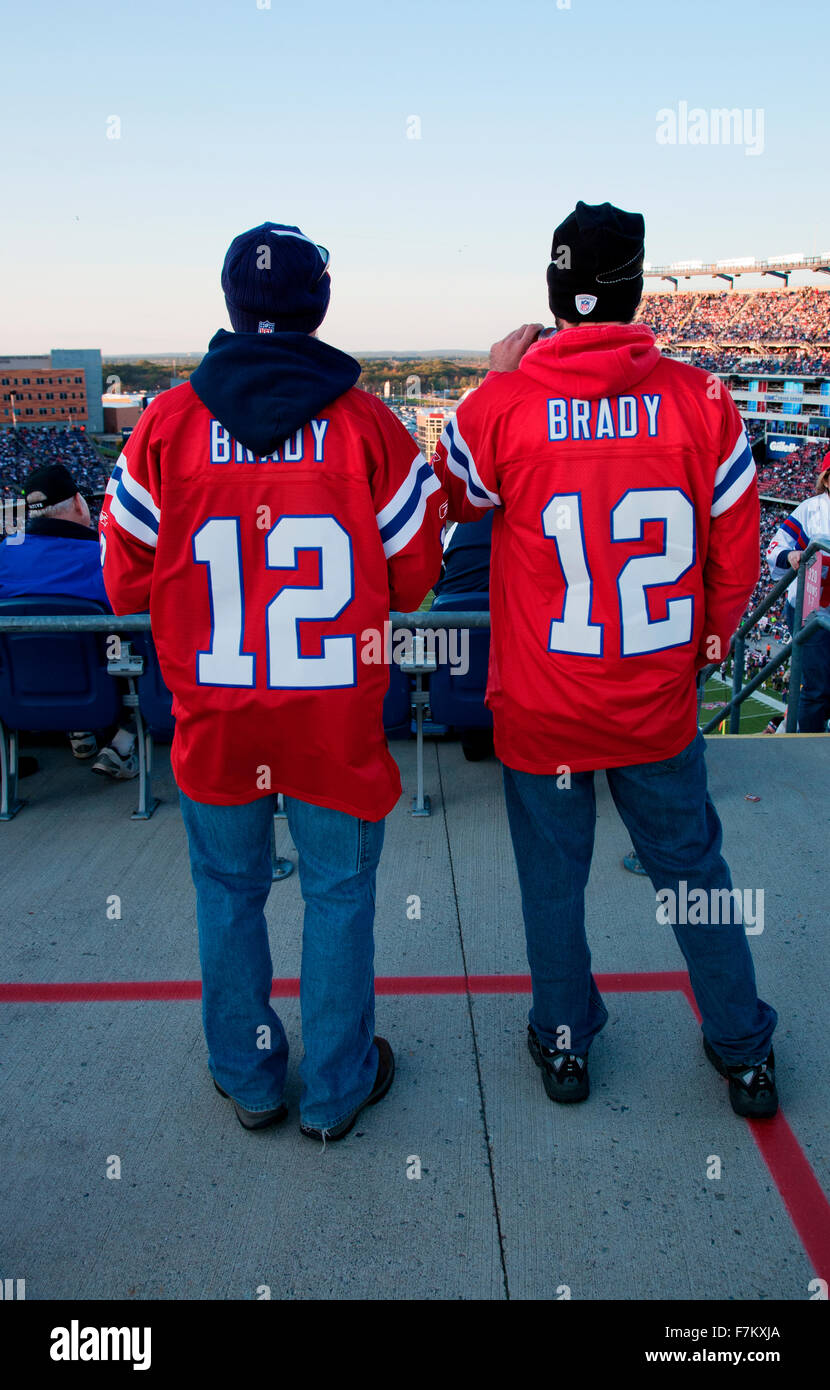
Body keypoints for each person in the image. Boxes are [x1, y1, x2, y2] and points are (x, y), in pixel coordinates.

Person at [431, 201, 778, 1119]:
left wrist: (493, 381)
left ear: (553, 291)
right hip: (653, 701)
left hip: (544, 705)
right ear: (634, 291)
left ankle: (564, 1041)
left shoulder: (505, 404)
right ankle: (743, 1048)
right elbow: (735, 559)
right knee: (694, 875)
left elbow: (452, 500)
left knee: (552, 883)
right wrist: (698, 652)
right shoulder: (701, 399)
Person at [99, 222, 445, 1139]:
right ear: (318, 304)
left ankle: (251, 1079)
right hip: (332, 719)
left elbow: (123, 579)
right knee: (337, 897)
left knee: (229, 893)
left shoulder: (166, 424)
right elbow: (415, 578)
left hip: (216, 713)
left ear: (230, 303)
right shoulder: (369, 424)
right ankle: (335, 1091)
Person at [0, 462, 138, 778]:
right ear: (78, 503)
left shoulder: (4, 554)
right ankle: (122, 743)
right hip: (101, 691)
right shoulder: (103, 556)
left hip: (22, 694)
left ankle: (79, 731)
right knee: (135, 640)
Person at [765, 457, 830, 730]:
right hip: (810, 608)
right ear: (826, 479)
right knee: (818, 686)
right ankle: (809, 747)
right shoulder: (811, 510)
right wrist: (792, 554)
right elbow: (773, 550)